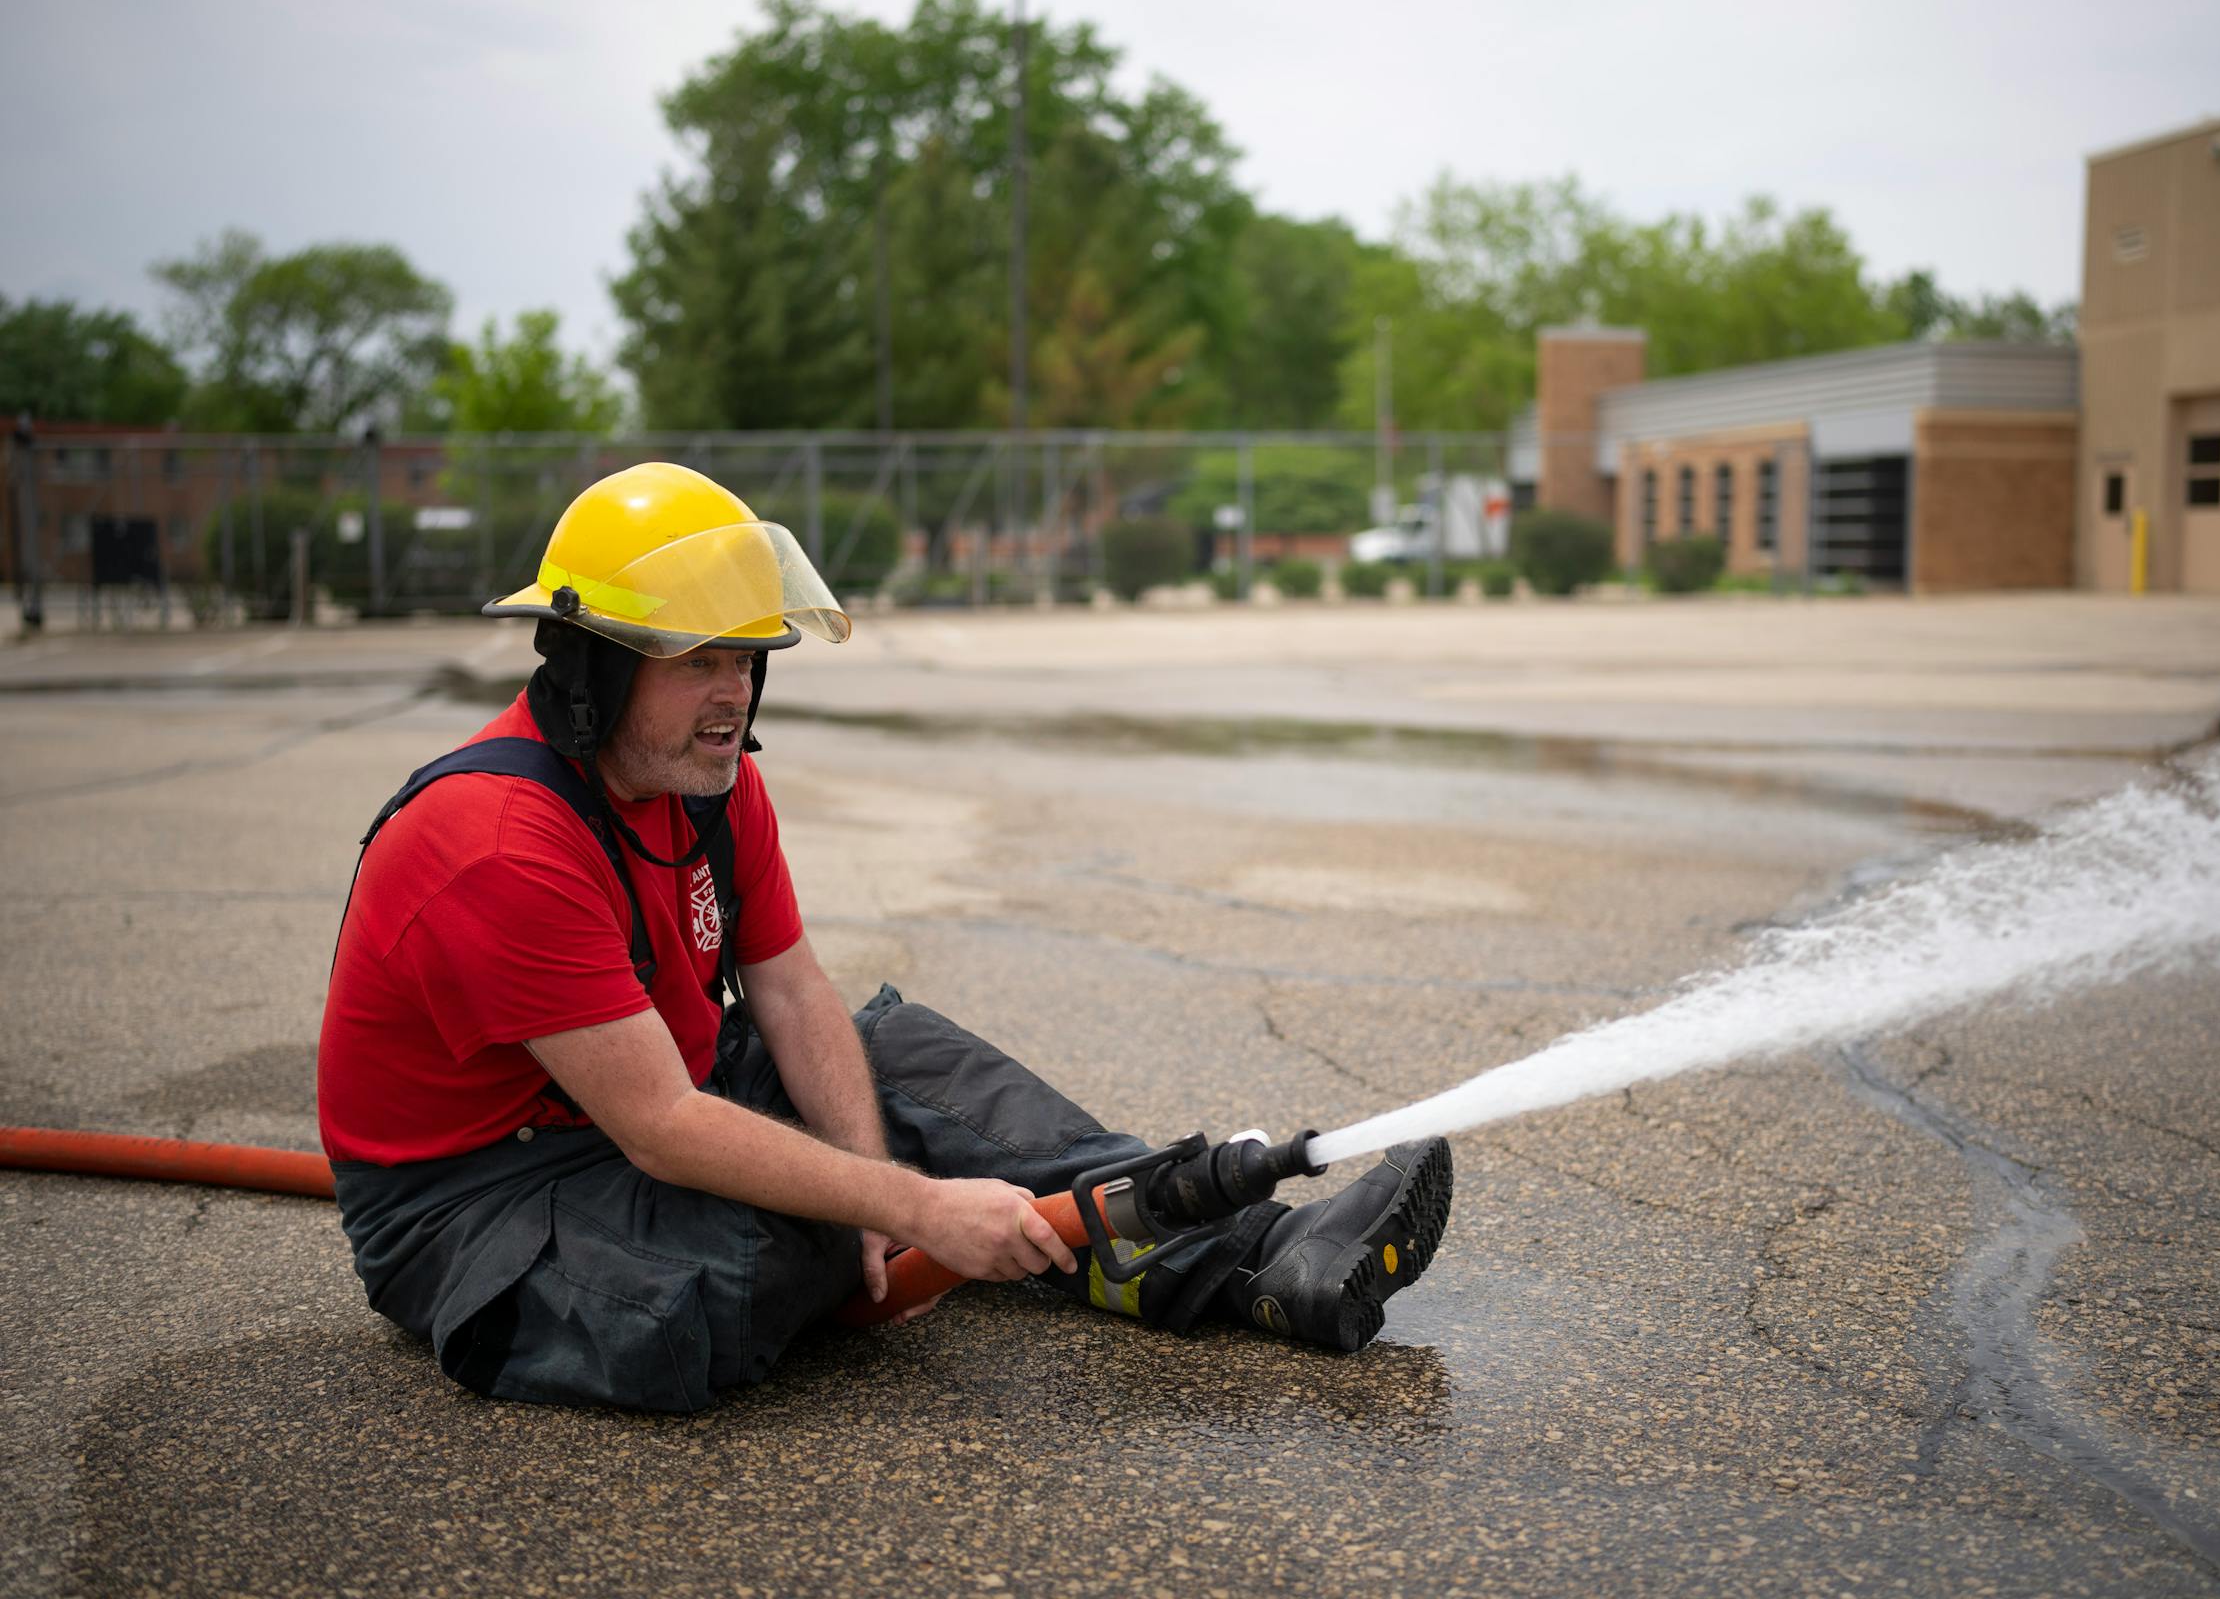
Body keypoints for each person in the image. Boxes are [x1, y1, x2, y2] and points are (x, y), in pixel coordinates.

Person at [316, 461, 1452, 1412]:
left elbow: (795, 991)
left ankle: (1255, 1259)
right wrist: (903, 1208)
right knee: (801, 1241)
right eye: (699, 659)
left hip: (649, 1103)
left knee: (907, 1063)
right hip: (483, 1209)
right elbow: (661, 1127)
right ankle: (1020, 1236)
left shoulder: (706, 782)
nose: (734, 695)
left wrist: (872, 1177)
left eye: (747, 659)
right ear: (592, 666)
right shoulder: (498, 840)